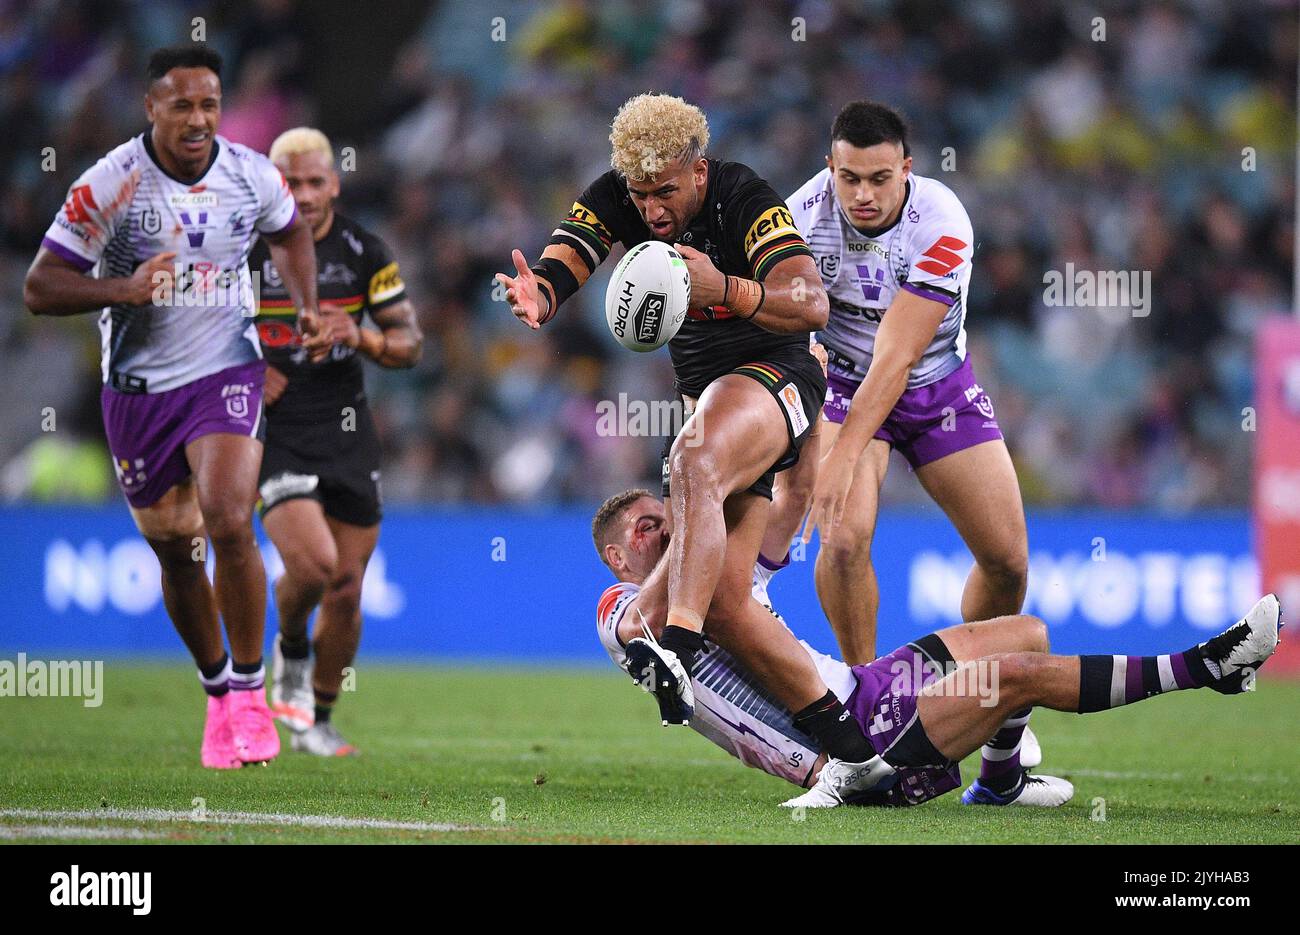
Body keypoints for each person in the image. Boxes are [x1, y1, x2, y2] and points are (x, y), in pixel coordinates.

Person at [497, 94, 895, 797]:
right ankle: (857, 756)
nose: (652, 210)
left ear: (699, 170)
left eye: (666, 192)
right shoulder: (624, 192)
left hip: (779, 374)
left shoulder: (743, 196)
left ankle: (674, 644)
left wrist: (727, 289)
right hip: (711, 397)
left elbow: (810, 303)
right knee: (731, 604)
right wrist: (544, 294)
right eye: (640, 195)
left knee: (693, 458)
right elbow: (574, 247)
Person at [23, 44, 327, 769]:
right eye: (182, 104)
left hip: (227, 367)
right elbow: (40, 287)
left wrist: (306, 307)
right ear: (151, 107)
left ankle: (249, 693)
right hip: (139, 391)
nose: (198, 119)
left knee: (227, 516)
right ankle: (218, 693)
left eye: (209, 104)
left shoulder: (251, 174)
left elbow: (290, 232)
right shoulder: (110, 185)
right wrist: (124, 290)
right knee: (178, 549)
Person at [593, 489, 1283, 808]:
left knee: (1027, 631)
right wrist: (694, 497)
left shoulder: (720, 569)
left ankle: (1001, 782)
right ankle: (1209, 666)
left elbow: (790, 495)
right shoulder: (621, 612)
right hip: (851, 749)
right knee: (1014, 676)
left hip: (866, 688)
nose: (666, 528)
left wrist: (797, 397)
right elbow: (640, 624)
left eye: (664, 516)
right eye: (647, 529)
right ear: (617, 558)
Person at [766, 100, 1042, 767]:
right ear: (830, 167)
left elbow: (896, 359)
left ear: (907, 170)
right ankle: (870, 711)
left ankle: (980, 699)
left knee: (1007, 560)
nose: (863, 194)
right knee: (842, 540)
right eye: (849, 178)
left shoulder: (942, 222)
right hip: (841, 386)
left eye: (879, 178)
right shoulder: (797, 220)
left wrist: (841, 456)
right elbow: (772, 318)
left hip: (935, 385)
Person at [250, 127, 423, 757]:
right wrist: (246, 369)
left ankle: (315, 719)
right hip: (272, 431)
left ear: (334, 185)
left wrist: (360, 336)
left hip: (346, 429)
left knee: (347, 588)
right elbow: (191, 331)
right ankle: (291, 644)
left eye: (314, 182)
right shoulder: (243, 248)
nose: (302, 194)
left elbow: (409, 344)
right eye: (289, 182)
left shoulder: (364, 251)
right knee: (315, 566)